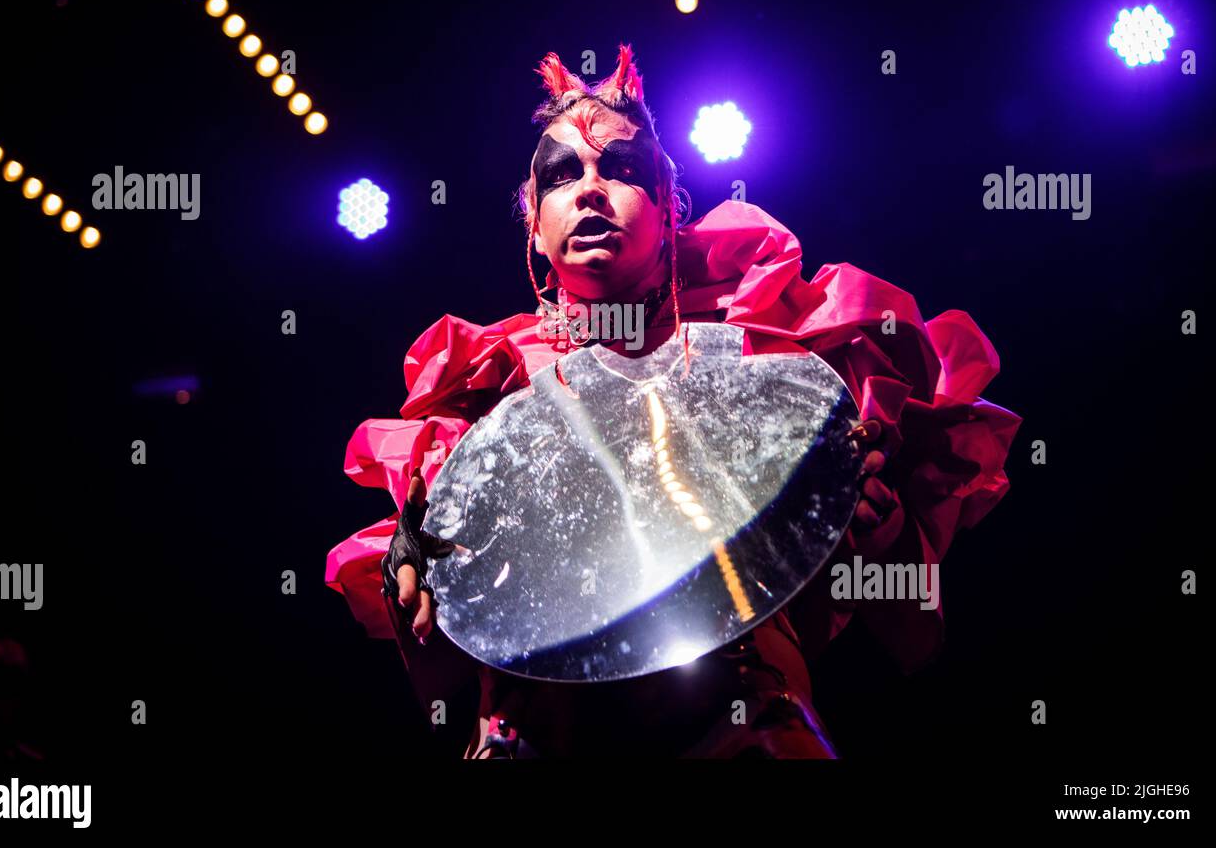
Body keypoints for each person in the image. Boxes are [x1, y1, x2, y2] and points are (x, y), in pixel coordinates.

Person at [326, 44, 1021, 757]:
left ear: (669, 205)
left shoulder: (773, 356)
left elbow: (902, 623)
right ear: (534, 225)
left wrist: (877, 533)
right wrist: (418, 576)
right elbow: (444, 673)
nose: (591, 189)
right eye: (563, 176)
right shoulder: (483, 400)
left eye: (621, 170)